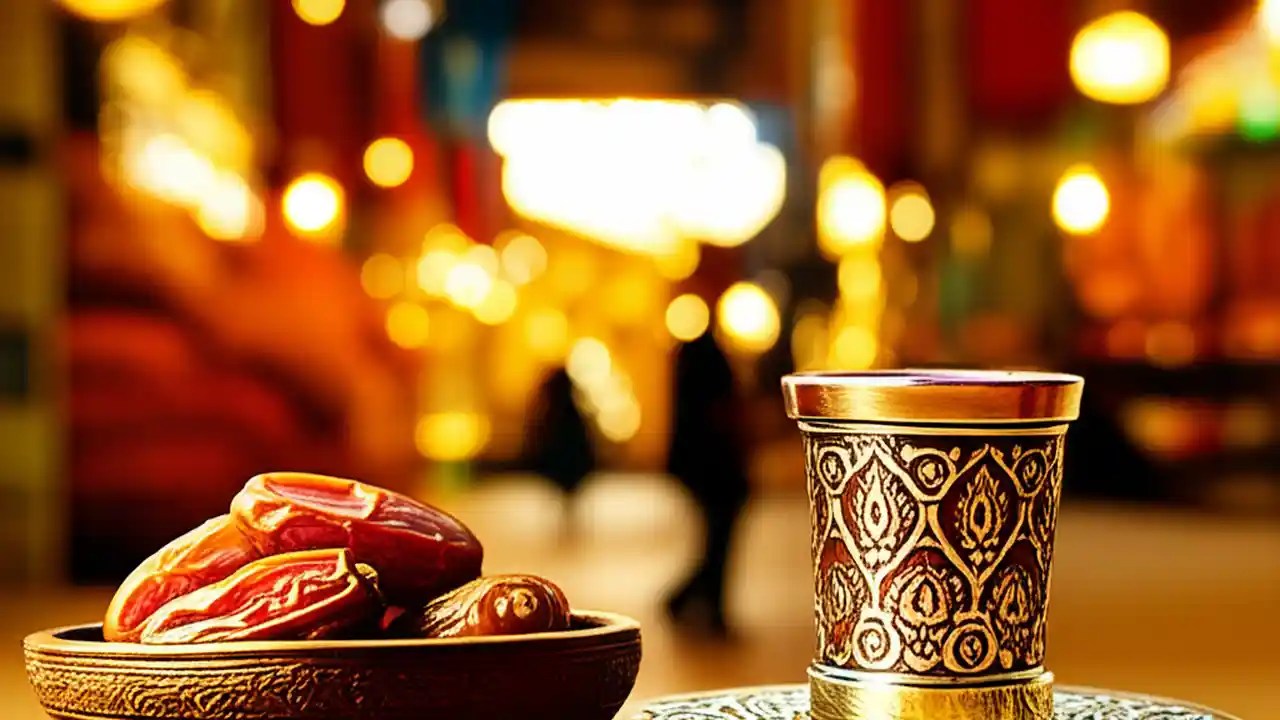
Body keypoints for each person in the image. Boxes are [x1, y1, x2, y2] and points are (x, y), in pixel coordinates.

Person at [665, 329, 750, 638]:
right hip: (714, 465)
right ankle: (697, 603)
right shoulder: (706, 357)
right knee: (718, 540)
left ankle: (692, 600)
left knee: (716, 540)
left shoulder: (691, 356)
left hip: (702, 464)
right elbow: (719, 410)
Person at [525, 367, 596, 539]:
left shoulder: (551, 408)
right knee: (568, 493)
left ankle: (566, 517)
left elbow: (543, 433)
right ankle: (568, 517)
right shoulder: (572, 407)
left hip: (561, 458)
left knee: (565, 492)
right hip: (569, 458)